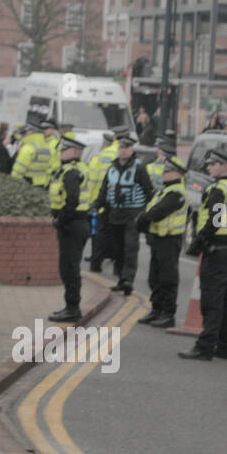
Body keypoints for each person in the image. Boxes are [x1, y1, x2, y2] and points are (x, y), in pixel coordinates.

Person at [180, 148, 227, 361]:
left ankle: (205, 346)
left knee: (212, 301)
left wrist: (198, 242)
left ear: (224, 166)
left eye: (213, 163)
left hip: (216, 251)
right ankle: (225, 347)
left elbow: (216, 221)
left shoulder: (218, 189)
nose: (208, 167)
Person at [136, 154, 188, 327]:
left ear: (177, 173)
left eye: (167, 171)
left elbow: (156, 212)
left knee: (167, 278)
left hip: (169, 240)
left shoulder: (176, 193)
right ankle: (157, 309)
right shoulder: (163, 191)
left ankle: (168, 314)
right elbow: (150, 210)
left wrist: (142, 220)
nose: (163, 173)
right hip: (158, 239)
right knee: (155, 278)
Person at [98, 133, 153, 295]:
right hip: (115, 213)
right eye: (121, 148)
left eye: (127, 148)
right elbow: (103, 190)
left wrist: (146, 213)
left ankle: (128, 279)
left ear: (131, 150)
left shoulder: (139, 168)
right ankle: (121, 279)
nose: (123, 151)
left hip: (133, 213)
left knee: (130, 247)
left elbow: (148, 191)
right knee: (117, 248)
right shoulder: (112, 168)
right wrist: (97, 205)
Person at [46, 135, 90, 323]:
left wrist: (60, 220)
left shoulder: (71, 173)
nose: (61, 152)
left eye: (65, 149)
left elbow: (72, 201)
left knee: (69, 268)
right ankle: (70, 306)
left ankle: (72, 308)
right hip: (73, 224)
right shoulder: (68, 171)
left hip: (72, 225)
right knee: (68, 267)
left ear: (75, 152)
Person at [86, 130, 120, 272]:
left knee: (98, 231)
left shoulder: (101, 156)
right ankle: (113, 258)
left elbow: (92, 180)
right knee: (116, 231)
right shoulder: (121, 154)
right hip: (117, 201)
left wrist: (90, 202)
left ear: (105, 144)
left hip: (99, 200)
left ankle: (96, 260)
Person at [10, 121, 52, 187]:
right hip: (42, 184)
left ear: (31, 132)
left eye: (25, 132)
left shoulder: (27, 149)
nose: (24, 134)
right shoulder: (47, 147)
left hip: (28, 185)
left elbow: (17, 172)